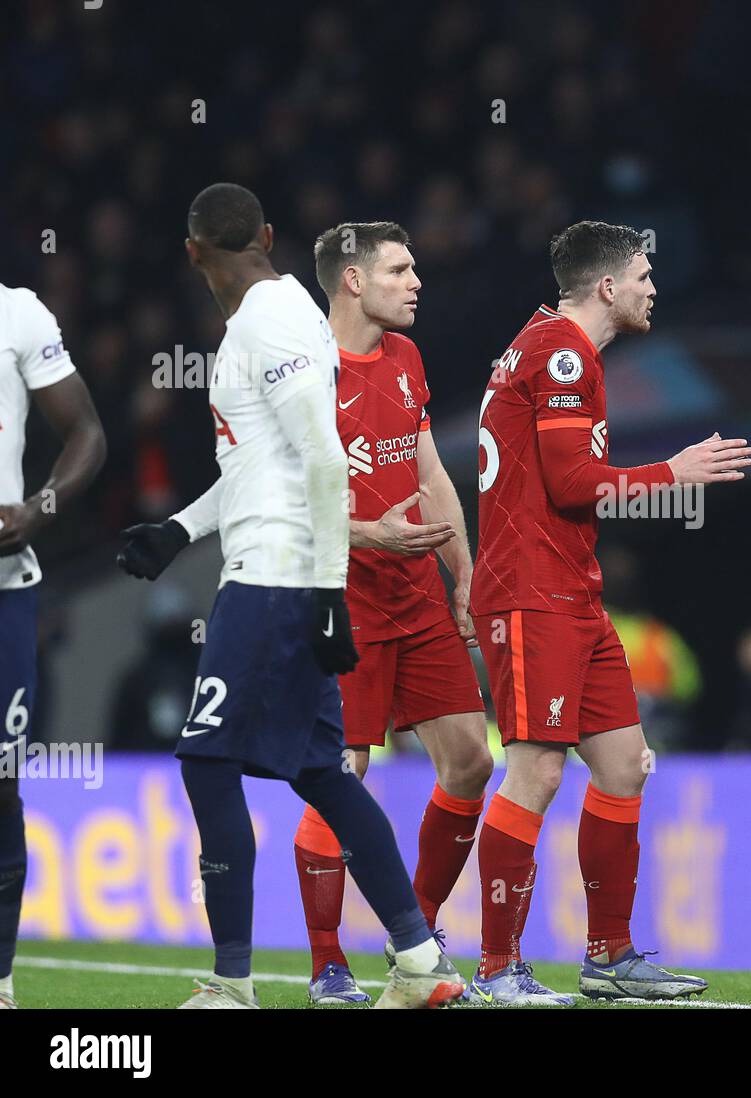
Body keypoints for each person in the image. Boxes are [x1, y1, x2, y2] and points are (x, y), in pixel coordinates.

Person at [117, 183, 463, 1009]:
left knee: (207, 762)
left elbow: (323, 458)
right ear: (267, 235)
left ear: (194, 252)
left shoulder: (270, 320)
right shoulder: (283, 316)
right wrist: (180, 529)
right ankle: (418, 964)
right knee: (326, 774)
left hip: (275, 581)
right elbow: (261, 468)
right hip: (279, 569)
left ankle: (233, 985)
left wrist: (325, 593)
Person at [469, 220, 751, 1002]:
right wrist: (676, 471)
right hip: (531, 591)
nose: (653, 288)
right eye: (643, 275)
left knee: (624, 765)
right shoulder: (563, 354)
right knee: (536, 770)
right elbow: (569, 483)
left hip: (569, 590)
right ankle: (496, 967)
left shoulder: (546, 345)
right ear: (607, 287)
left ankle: (610, 956)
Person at [291, 220, 494, 1005]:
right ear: (352, 279)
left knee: (473, 761)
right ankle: (324, 963)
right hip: (342, 596)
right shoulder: (304, 370)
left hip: (416, 592)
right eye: (400, 269)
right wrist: (367, 531)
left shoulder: (405, 357)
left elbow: (430, 469)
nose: (416, 282)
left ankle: (417, 936)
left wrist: (465, 572)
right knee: (343, 773)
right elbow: (277, 500)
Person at [0, 282, 106, 1009]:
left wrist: (36, 510)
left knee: (2, 789)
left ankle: (1, 980)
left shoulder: (18, 312)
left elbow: (88, 435)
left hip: (5, 589)